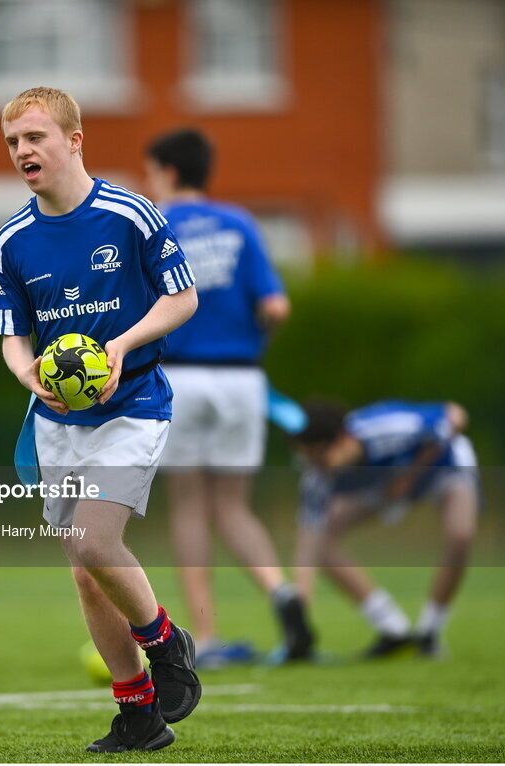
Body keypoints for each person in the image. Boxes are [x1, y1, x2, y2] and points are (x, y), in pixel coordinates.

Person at [0, 87, 201, 753]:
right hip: (57, 420)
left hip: (134, 404)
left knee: (91, 541)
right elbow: (12, 335)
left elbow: (183, 298)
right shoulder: (13, 240)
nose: (23, 150)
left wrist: (119, 345)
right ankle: (138, 712)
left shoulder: (131, 214)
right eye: (14, 142)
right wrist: (26, 373)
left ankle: (166, 642)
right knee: (85, 570)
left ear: (74, 140)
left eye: (35, 137)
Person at [144, 128, 314, 667]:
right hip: (243, 379)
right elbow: (277, 308)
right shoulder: (240, 222)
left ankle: (207, 635)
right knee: (235, 508)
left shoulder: (153, 224)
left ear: (168, 172)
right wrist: (251, 343)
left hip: (183, 378)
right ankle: (281, 592)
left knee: (191, 508)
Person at [292, 399, 479, 657]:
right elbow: (308, 545)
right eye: (309, 459)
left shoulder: (388, 429)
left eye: (322, 457)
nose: (317, 467)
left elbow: (456, 415)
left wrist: (410, 475)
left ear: (344, 438)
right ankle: (393, 628)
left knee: (460, 535)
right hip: (385, 486)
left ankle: (430, 631)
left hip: (443, 470)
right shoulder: (317, 476)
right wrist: (299, 615)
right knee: (322, 542)